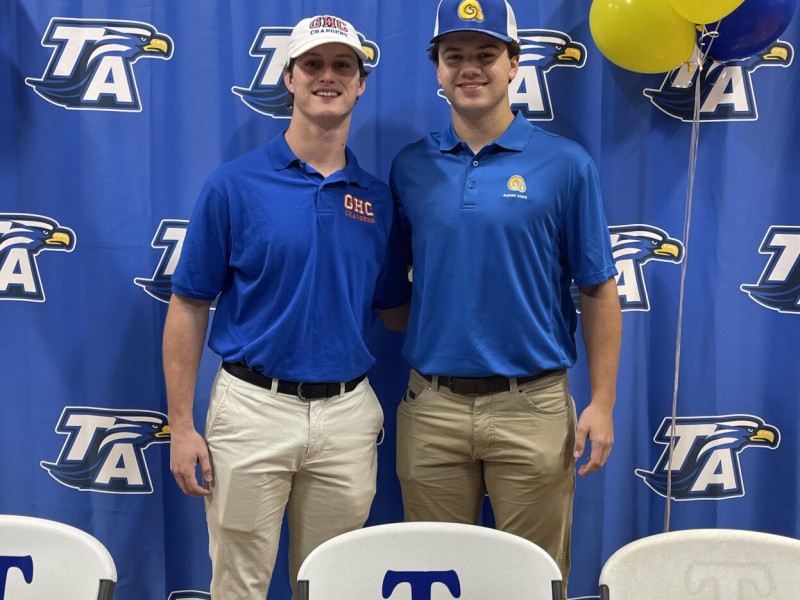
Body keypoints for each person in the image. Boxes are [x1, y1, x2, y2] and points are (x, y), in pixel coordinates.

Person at [163, 14, 410, 600]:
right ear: (290, 79)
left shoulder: (377, 198)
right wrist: (180, 426)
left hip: (347, 416)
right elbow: (189, 305)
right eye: (314, 65)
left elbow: (395, 309)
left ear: (361, 84)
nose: (328, 77)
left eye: (342, 66)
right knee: (239, 585)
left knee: (331, 585)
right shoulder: (234, 185)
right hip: (252, 412)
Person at [389, 0, 621, 589]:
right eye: (454, 56)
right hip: (433, 408)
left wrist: (602, 403)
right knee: (435, 578)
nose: (471, 68)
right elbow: (393, 294)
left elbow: (596, 288)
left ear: (514, 63)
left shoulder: (566, 164)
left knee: (532, 580)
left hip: (533, 406)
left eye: (486, 54)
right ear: (437, 68)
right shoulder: (410, 166)